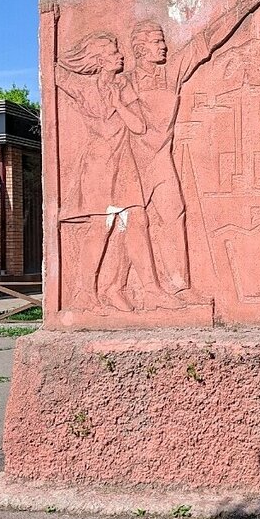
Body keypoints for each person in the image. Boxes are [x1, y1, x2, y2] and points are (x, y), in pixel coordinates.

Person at [121, 0, 260, 295]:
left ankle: (177, 284)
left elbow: (206, 40)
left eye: (163, 40)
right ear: (139, 49)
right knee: (132, 223)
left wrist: (244, 5)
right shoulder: (124, 82)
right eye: (157, 41)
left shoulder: (171, 72)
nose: (164, 46)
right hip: (131, 164)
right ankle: (123, 288)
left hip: (161, 161)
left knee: (174, 213)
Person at [56, 31, 173, 312]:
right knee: (101, 228)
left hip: (124, 165)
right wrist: (51, 23)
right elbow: (55, 71)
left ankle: (149, 290)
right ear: (98, 60)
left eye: (118, 52)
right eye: (112, 53)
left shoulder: (123, 85)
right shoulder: (85, 90)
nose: (120, 56)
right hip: (100, 167)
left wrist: (119, 104)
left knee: (138, 221)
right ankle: (86, 293)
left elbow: (139, 126)